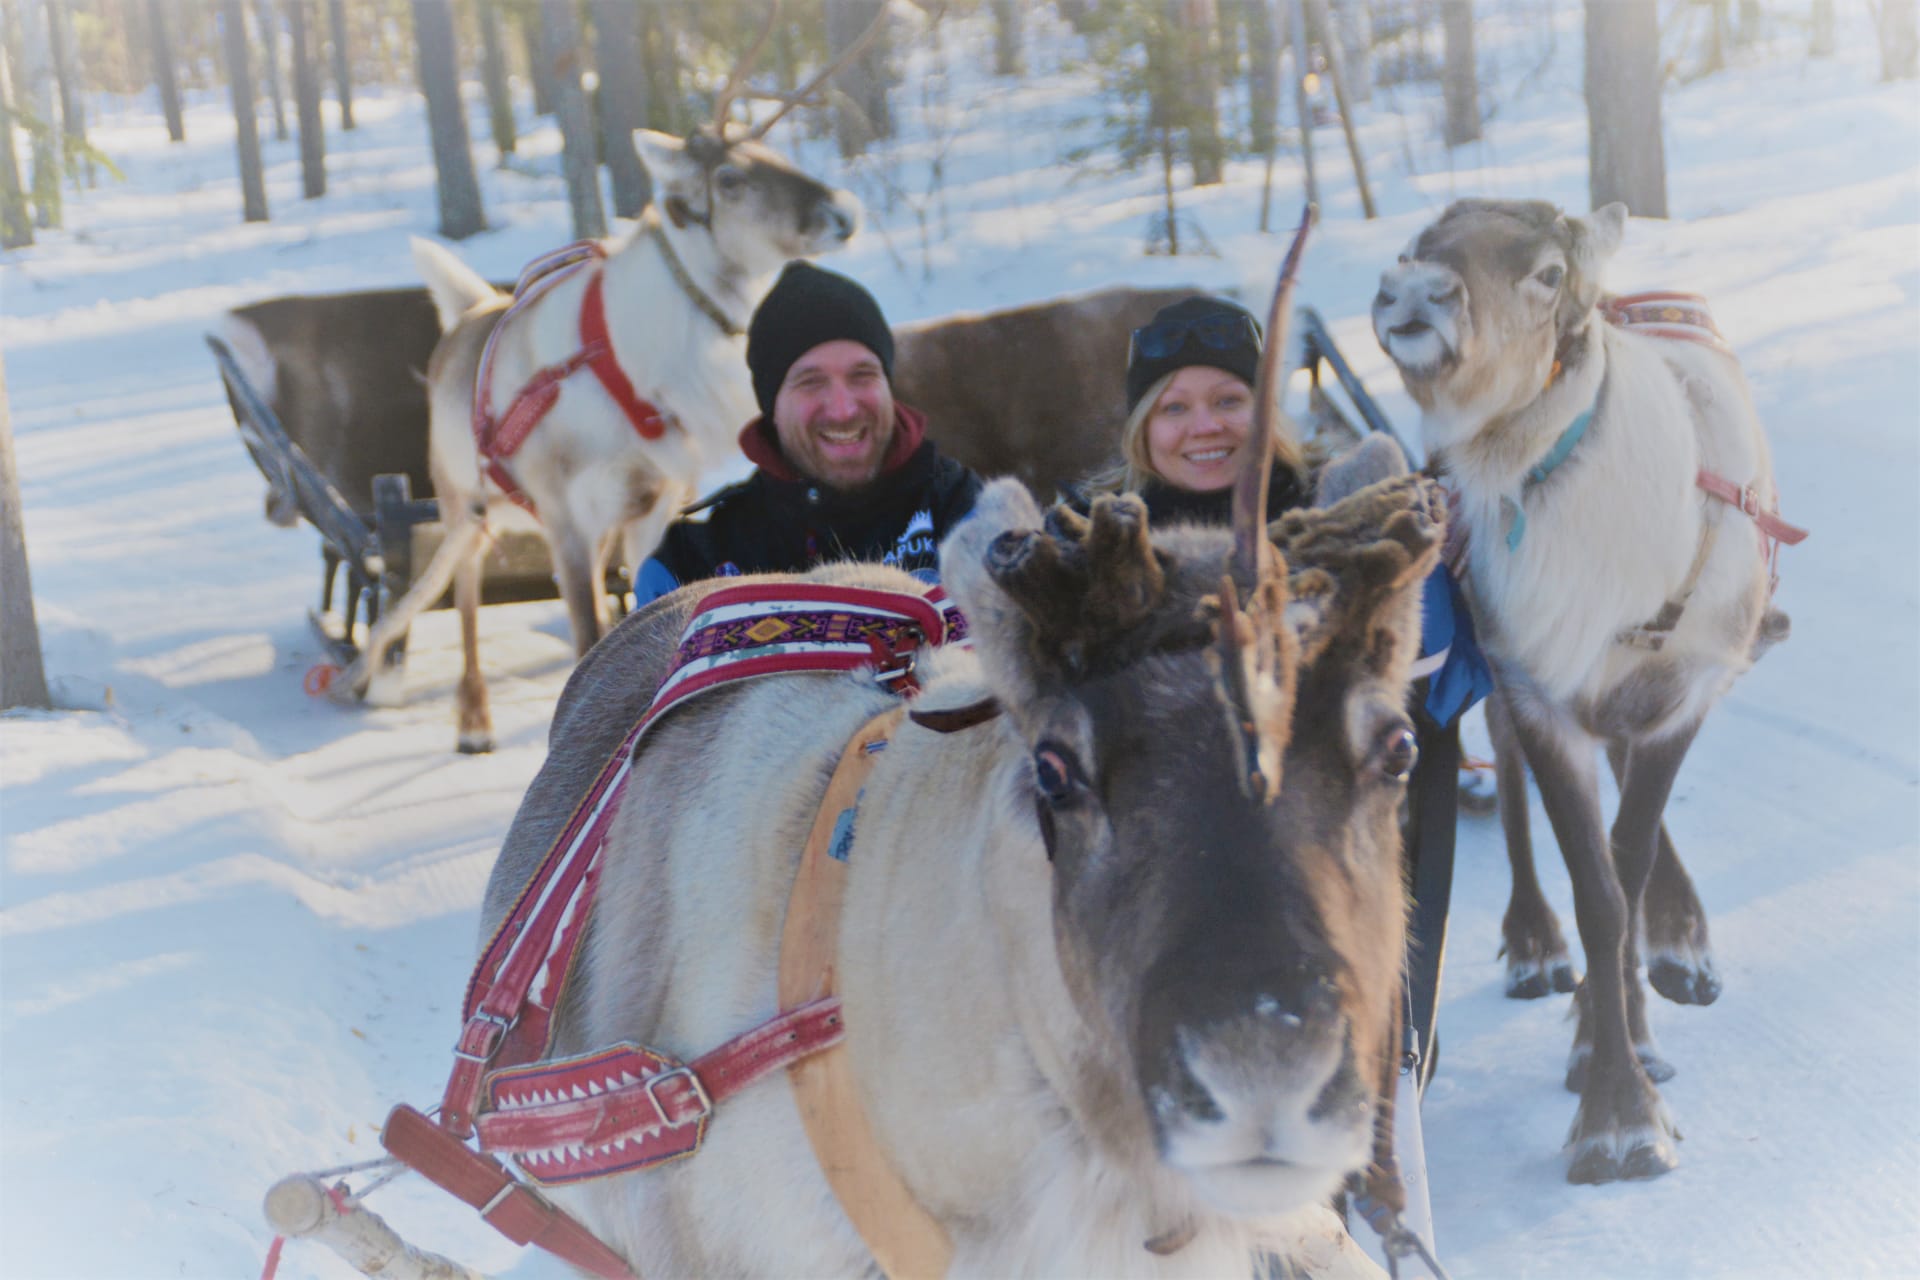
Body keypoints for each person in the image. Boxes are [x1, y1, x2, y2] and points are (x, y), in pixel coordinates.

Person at [633, 263, 982, 605]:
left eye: (862, 375)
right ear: (772, 406)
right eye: (811, 382)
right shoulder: (694, 563)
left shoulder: (961, 511)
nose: (843, 409)